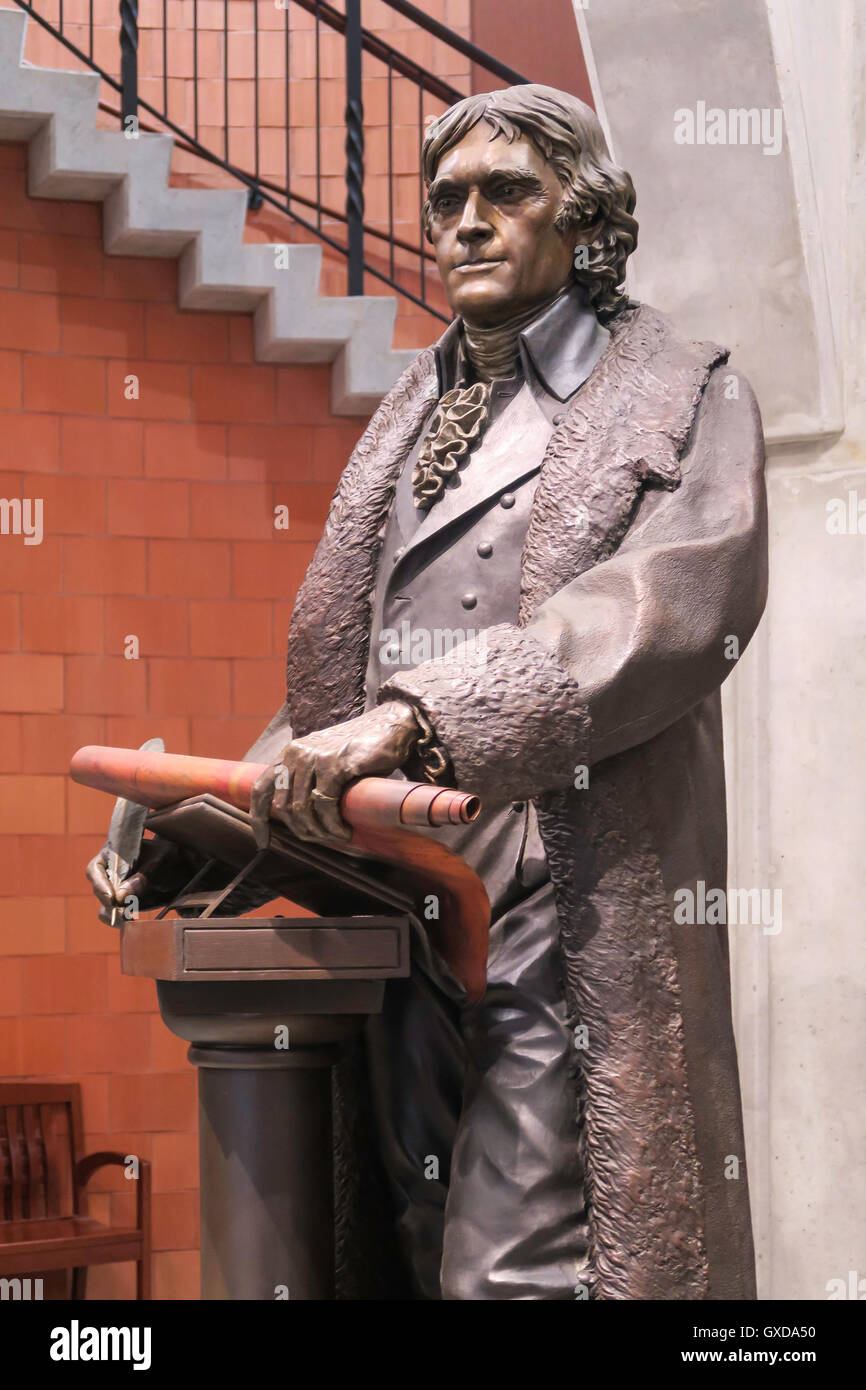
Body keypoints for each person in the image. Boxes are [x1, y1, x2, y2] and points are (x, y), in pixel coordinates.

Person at [89, 84, 767, 1301]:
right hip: (403, 916)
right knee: (410, 1237)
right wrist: (201, 826)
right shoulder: (411, 414)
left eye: (506, 193)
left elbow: (667, 608)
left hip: (564, 919)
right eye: (444, 200)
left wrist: (417, 722)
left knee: (517, 1274)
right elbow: (334, 699)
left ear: (586, 221)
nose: (465, 222)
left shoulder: (680, 387)